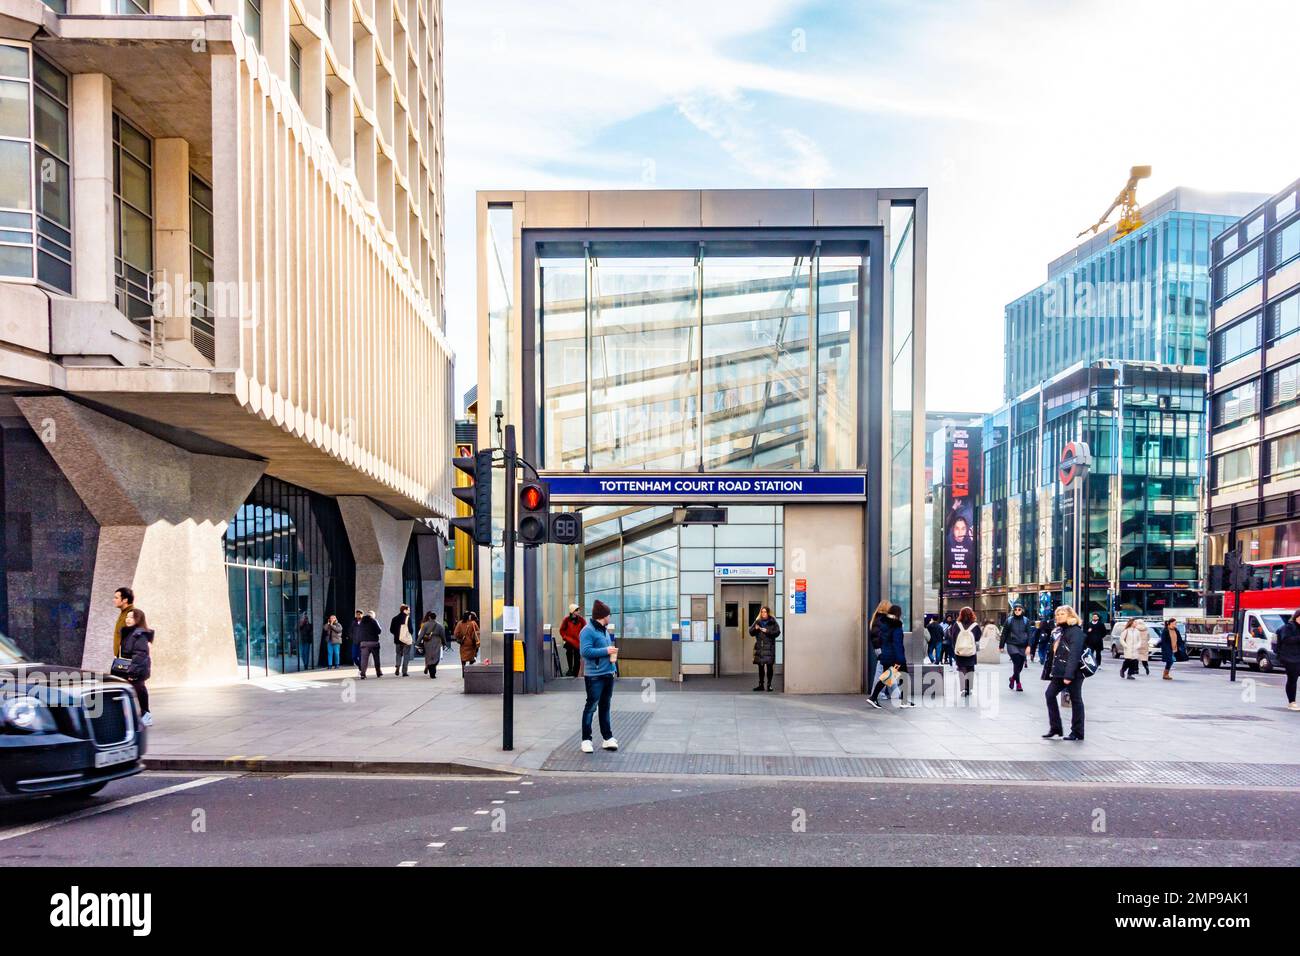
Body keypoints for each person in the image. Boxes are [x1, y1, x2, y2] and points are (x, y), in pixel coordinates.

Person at [579, 599, 619, 753]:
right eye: (609, 615)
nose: (610, 617)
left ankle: (607, 738)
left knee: (605, 706)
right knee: (591, 707)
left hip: (608, 673)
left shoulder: (604, 630)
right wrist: (606, 651)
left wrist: (613, 668)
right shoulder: (587, 631)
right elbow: (585, 652)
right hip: (594, 675)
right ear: (603, 616)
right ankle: (586, 740)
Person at [1042, 604, 1086, 740]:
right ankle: (1055, 728)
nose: (1058, 616)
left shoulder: (1075, 631)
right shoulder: (1059, 631)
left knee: (1076, 700)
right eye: (1057, 614)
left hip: (1073, 672)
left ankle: (1077, 732)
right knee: (1049, 695)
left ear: (1070, 616)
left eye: (1062, 614)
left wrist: (1069, 674)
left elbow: (1074, 654)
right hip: (1059, 672)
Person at [867, 604, 910, 708]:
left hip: (886, 656)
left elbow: (882, 641)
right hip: (895, 659)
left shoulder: (884, 625)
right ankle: (904, 702)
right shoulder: (896, 627)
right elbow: (897, 644)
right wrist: (900, 659)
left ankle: (873, 698)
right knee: (903, 676)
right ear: (898, 614)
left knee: (886, 678)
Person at [119, 607, 154, 727]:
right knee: (130, 691)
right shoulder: (129, 633)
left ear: (138, 619)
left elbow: (139, 655)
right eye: (127, 617)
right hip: (129, 668)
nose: (128, 620)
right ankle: (132, 716)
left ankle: (146, 715)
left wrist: (132, 673)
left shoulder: (139, 635)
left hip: (137, 669)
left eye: (131, 617)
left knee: (140, 690)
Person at [950, 606, 981, 697]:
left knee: (962, 670)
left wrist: (957, 648)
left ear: (961, 614)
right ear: (972, 614)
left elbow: (953, 637)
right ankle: (969, 689)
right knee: (970, 669)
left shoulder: (956, 625)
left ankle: (963, 689)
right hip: (971, 652)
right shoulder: (975, 625)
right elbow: (978, 637)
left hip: (959, 652)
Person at [1000, 602, 1031, 691]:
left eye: (1019, 609)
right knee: (1016, 662)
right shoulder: (1009, 620)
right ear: (1013, 611)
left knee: (1020, 665)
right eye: (1015, 610)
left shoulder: (1026, 620)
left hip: (1023, 645)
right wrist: (1001, 646)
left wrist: (1029, 646)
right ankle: (1018, 683)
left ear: (1022, 611)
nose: (1017, 611)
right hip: (1012, 644)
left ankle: (1013, 678)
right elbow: (1004, 634)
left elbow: (1029, 634)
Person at [868, 600, 894, 700]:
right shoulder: (882, 620)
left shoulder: (879, 619)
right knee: (883, 672)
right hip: (883, 649)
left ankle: (893, 694)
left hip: (882, 649)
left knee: (888, 671)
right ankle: (877, 694)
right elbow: (878, 636)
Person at [749, 606, 780, 692]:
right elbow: (751, 632)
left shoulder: (772, 622)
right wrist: (755, 629)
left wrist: (767, 631)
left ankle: (769, 685)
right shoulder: (757, 621)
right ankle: (761, 685)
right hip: (761, 647)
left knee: (769, 667)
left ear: (768, 613)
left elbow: (777, 632)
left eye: (765, 612)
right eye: (762, 612)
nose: (763, 613)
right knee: (761, 667)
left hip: (769, 648)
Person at [1276, 609, 1300, 712]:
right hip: (1290, 658)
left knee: (1293, 679)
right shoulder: (1289, 627)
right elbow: (1286, 639)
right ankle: (1292, 702)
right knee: (1292, 679)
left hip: (1297, 656)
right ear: (1297, 617)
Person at [559, 604, 585, 678]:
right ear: (572, 611)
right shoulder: (566, 619)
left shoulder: (581, 620)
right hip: (569, 641)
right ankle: (570, 669)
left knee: (577, 658)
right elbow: (561, 630)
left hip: (578, 641)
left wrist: (583, 639)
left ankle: (575, 673)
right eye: (577, 610)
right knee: (569, 654)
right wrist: (565, 637)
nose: (578, 611)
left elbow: (585, 629)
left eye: (578, 610)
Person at [356, 610, 383, 678]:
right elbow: (379, 631)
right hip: (374, 643)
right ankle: (378, 673)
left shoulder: (361, 622)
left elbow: (358, 632)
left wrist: (360, 641)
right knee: (376, 659)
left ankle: (363, 674)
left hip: (364, 643)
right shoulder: (374, 621)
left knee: (364, 660)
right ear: (372, 616)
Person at [111, 586, 135, 658]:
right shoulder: (124, 612)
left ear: (125, 600)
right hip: (120, 657)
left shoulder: (131, 614)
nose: (113, 600)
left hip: (125, 659)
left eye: (116, 598)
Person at [390, 604, 413, 677]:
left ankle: (397, 665)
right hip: (406, 640)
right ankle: (404, 672)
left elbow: (391, 630)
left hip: (397, 640)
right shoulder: (407, 618)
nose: (409, 611)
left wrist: (397, 634)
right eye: (408, 610)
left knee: (398, 654)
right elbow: (411, 630)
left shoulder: (394, 618)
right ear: (404, 610)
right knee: (406, 655)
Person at [419, 611, 444, 679]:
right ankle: (433, 670)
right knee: (436, 656)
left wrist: (418, 643)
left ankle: (431, 670)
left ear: (429, 617)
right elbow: (442, 635)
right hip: (437, 642)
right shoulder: (439, 625)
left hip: (427, 642)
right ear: (435, 617)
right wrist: (444, 643)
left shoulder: (425, 625)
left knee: (429, 656)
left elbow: (421, 635)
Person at [456, 611, 480, 676]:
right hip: (472, 644)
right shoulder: (473, 623)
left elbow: (456, 633)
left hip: (463, 644)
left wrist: (461, 637)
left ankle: (463, 672)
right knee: (471, 659)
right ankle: (470, 672)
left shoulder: (459, 623)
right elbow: (478, 632)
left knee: (463, 659)